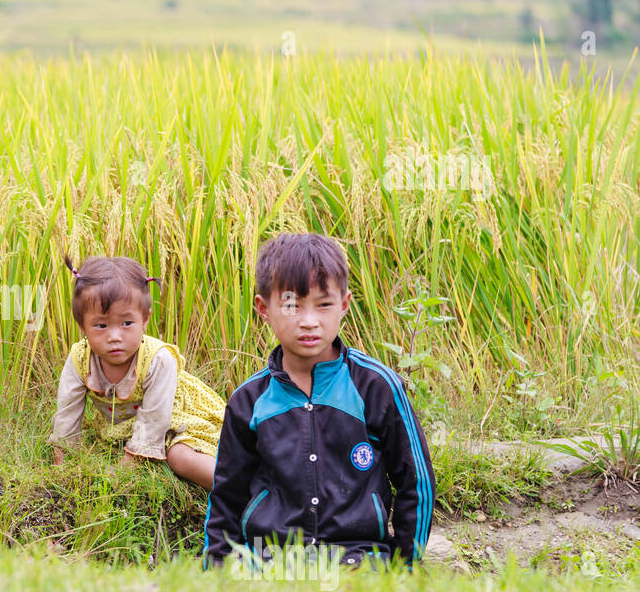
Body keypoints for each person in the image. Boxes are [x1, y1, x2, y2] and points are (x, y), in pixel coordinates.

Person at [203, 232, 435, 569]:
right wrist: (218, 569)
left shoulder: (376, 386)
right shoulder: (248, 401)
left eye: (324, 304)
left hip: (358, 558)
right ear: (263, 308)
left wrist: (403, 567)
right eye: (291, 305)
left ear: (344, 305)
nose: (309, 321)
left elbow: (417, 481)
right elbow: (227, 495)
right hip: (268, 561)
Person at [49, 255, 226, 490]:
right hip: (131, 425)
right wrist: (63, 462)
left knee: (180, 458)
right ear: (82, 325)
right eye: (101, 325)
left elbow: (155, 420)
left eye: (126, 323)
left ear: (145, 320)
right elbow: (67, 414)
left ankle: (242, 491)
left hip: (176, 415)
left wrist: (126, 466)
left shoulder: (158, 359)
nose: (114, 336)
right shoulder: (80, 358)